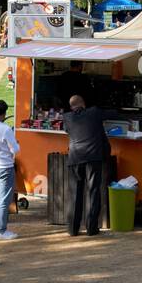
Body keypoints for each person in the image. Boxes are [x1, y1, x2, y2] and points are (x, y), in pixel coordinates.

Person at [63, 93, 111, 237]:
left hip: (75, 158)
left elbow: (67, 130)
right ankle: (91, 228)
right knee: (93, 192)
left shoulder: (67, 118)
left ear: (72, 107)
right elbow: (111, 114)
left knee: (75, 194)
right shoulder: (94, 112)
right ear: (84, 104)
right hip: (93, 157)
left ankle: (73, 229)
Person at [0, 99, 20, 240]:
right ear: (4, 113)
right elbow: (15, 149)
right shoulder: (6, 129)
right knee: (4, 199)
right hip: (5, 167)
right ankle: (0, 229)